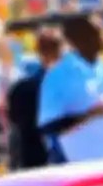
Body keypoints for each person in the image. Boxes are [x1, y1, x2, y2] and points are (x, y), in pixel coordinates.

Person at [38, 14, 103, 163]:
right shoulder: (58, 76)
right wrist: (87, 115)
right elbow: (49, 126)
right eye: (98, 32)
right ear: (79, 40)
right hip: (84, 167)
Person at [6, 29, 63, 171]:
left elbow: (14, 124)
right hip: (69, 163)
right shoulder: (73, 85)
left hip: (34, 167)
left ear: (38, 51)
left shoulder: (21, 89)